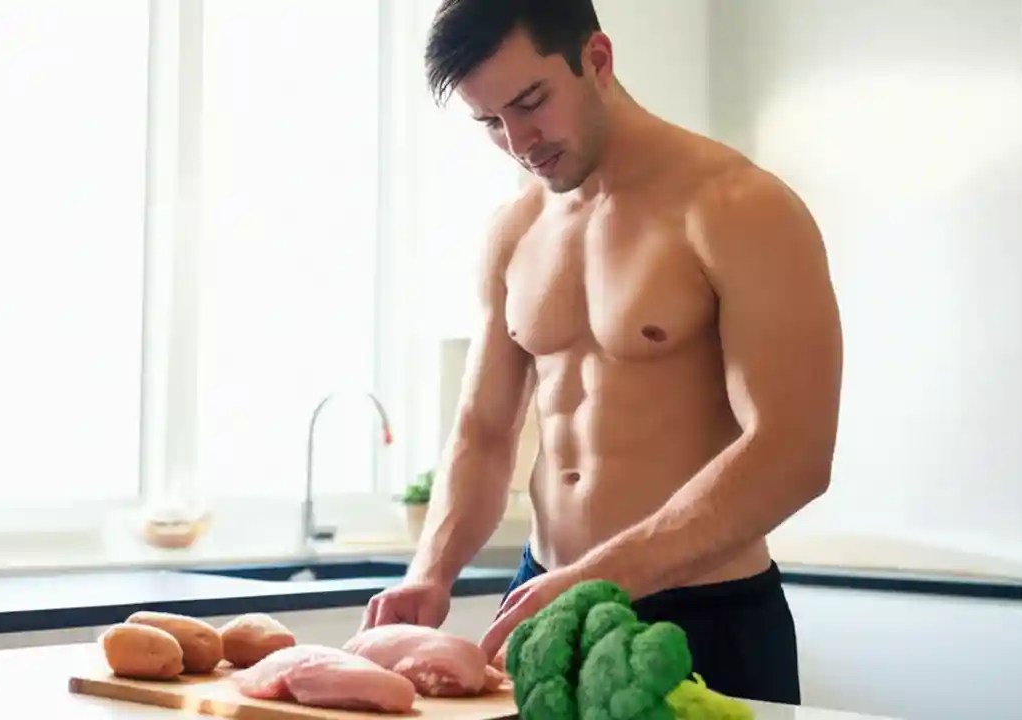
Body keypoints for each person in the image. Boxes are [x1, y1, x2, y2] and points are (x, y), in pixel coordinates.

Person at [360, 0, 842, 705]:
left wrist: (597, 576)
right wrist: (430, 571)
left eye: (531, 102)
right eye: (490, 122)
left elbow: (794, 453)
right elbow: (484, 432)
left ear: (598, 59)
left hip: (701, 618)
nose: (519, 142)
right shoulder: (515, 230)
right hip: (545, 608)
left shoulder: (739, 207)